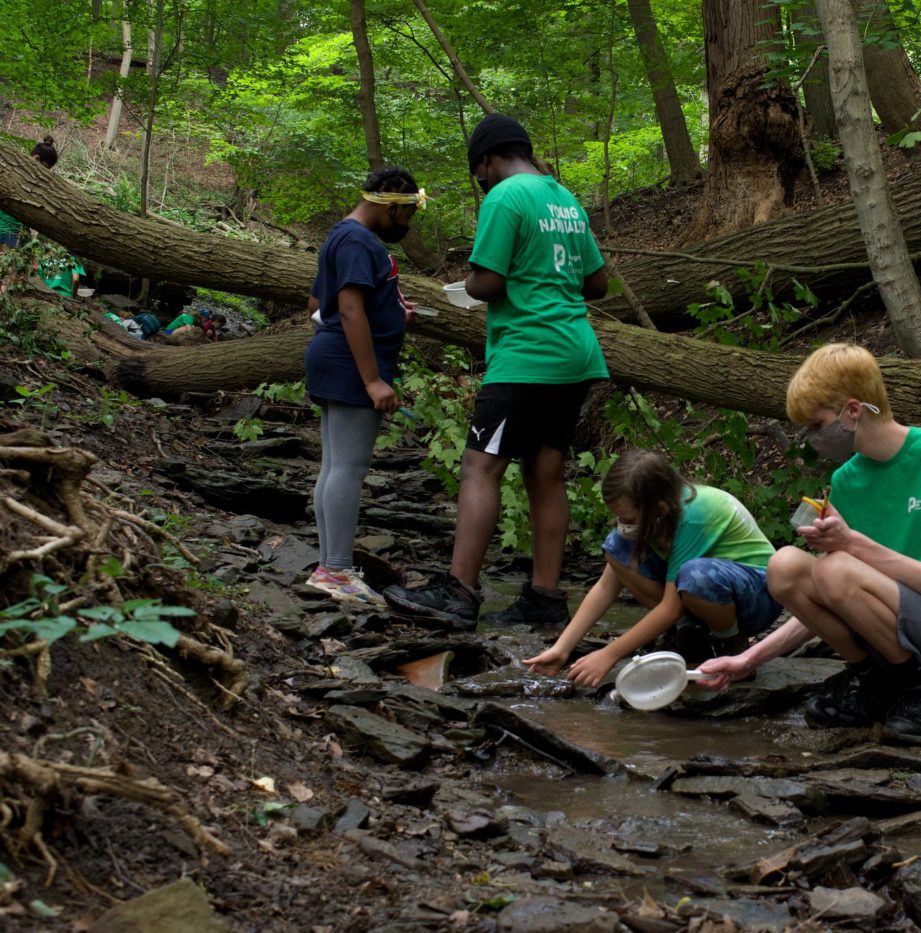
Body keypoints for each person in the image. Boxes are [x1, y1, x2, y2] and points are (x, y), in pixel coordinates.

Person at [697, 343, 921, 744]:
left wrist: (852, 543)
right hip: (896, 636)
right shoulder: (845, 480)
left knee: (835, 565)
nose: (811, 439)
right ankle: (877, 686)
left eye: (816, 425)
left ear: (853, 411)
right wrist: (749, 658)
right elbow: (828, 594)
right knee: (786, 567)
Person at [384, 114, 610, 630]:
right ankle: (545, 598)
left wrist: (473, 281)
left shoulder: (504, 198)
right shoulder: (565, 199)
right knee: (545, 474)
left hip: (527, 353)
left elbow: (486, 284)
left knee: (480, 466)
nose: (480, 180)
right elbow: (596, 283)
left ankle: (459, 591)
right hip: (576, 353)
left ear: (486, 160)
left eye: (477, 171)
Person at [523, 449, 783, 686]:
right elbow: (605, 587)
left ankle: (730, 645)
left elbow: (670, 607)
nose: (622, 523)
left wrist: (609, 654)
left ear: (658, 508)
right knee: (617, 546)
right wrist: (562, 648)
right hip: (705, 589)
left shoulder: (693, 516)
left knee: (695, 577)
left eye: (628, 518)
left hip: (759, 595)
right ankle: (688, 634)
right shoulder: (658, 514)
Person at [302, 165, 426, 606]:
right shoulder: (357, 240)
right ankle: (335, 571)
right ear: (392, 207)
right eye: (407, 216)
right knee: (349, 469)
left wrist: (390, 303)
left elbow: (320, 301)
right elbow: (349, 309)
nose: (408, 226)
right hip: (349, 367)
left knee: (334, 466)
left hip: (334, 361)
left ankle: (328, 566)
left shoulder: (341, 235)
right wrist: (372, 380)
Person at [0, 137, 58, 250]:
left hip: (17, 233)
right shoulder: (12, 171)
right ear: (36, 159)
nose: (46, 172)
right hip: (8, 232)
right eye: (45, 168)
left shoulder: (12, 169)